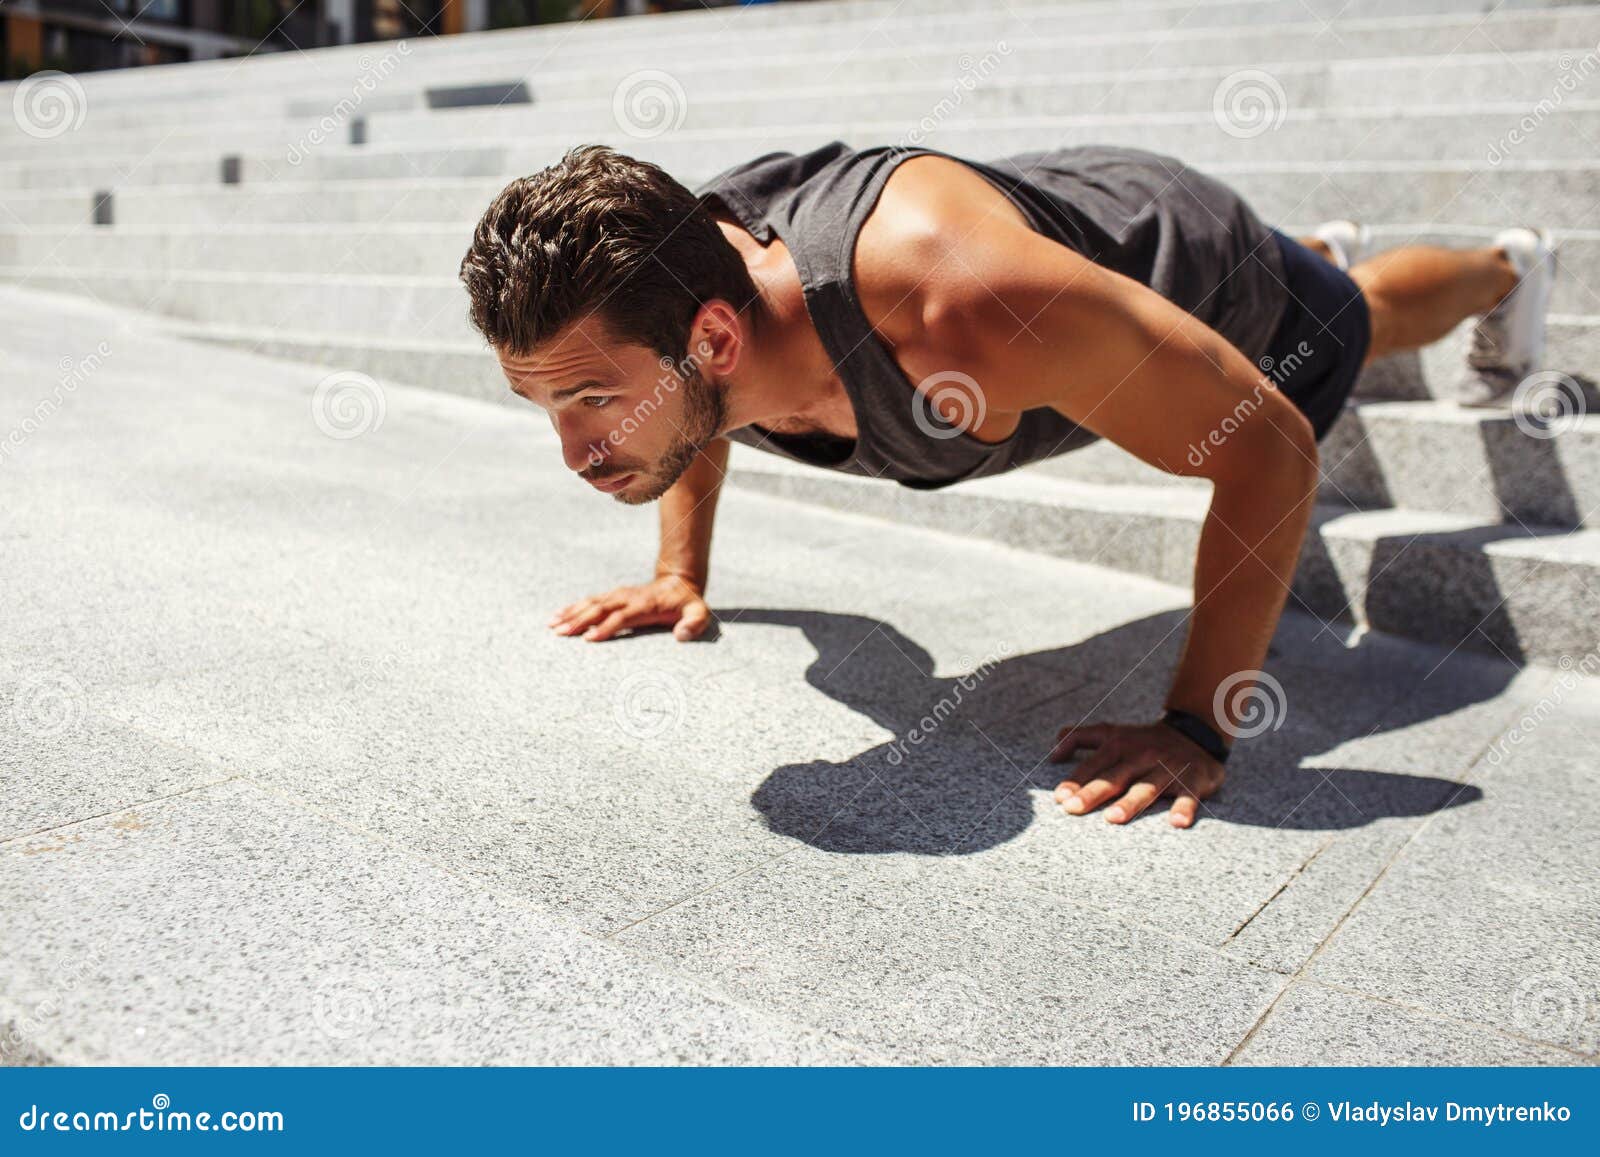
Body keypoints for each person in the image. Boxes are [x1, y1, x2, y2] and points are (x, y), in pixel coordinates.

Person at [458, 140, 1557, 829]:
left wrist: (1199, 725)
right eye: (550, 407)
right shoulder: (694, 289)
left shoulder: (955, 307)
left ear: (713, 335)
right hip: (1077, 245)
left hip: (1209, 276)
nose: (575, 451)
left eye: (592, 403)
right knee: (1248, 289)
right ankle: (1310, 250)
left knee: (1348, 316)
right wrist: (677, 568)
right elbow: (689, 412)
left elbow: (1271, 452)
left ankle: (1503, 268)